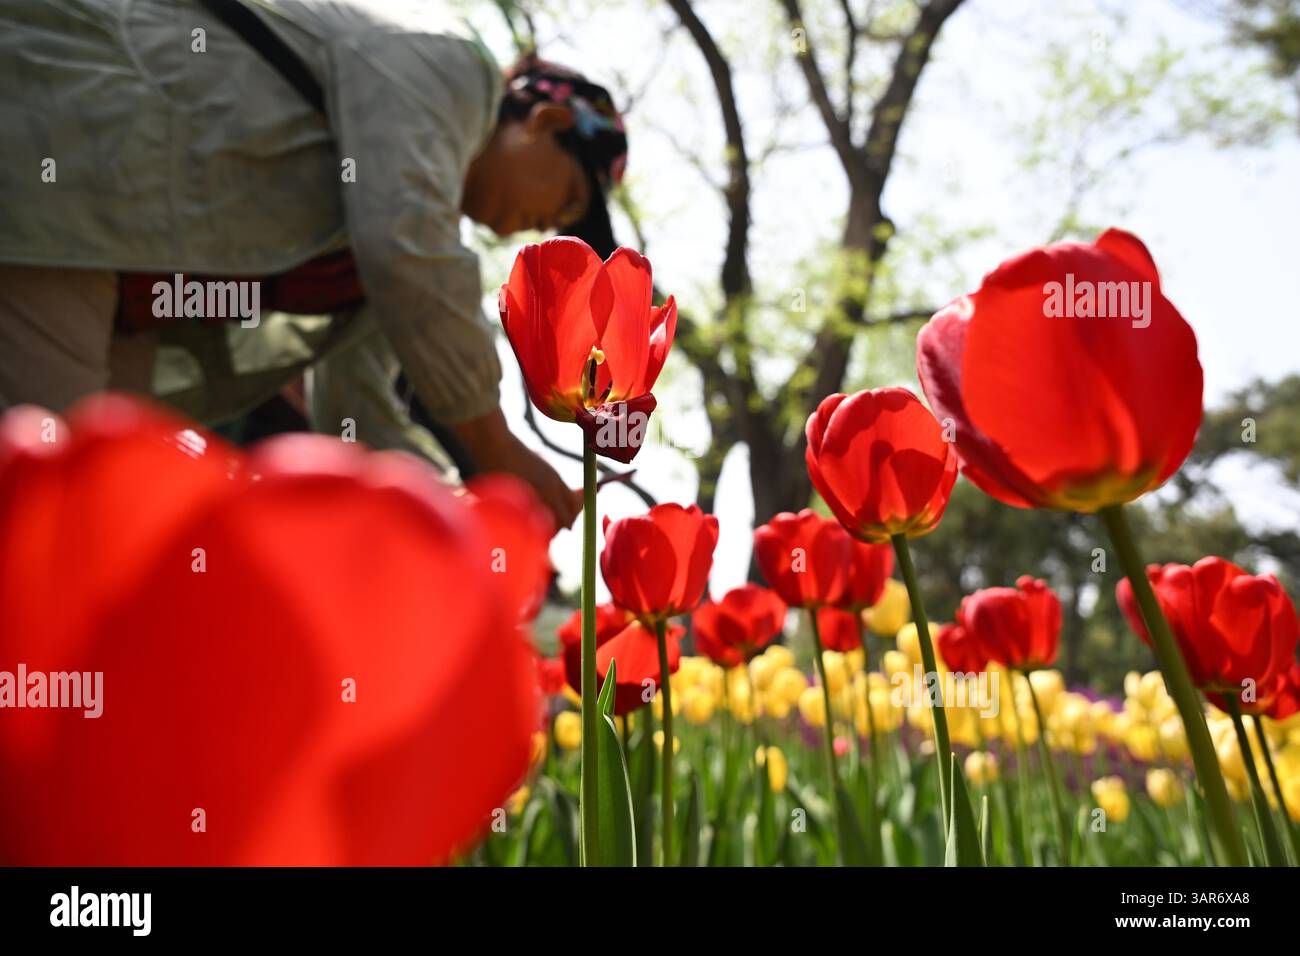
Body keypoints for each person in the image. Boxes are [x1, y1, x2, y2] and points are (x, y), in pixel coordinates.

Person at [0, 0, 628, 530]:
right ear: (547, 122)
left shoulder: (383, 244)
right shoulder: (451, 68)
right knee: (58, 510)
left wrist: (451, 515)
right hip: (69, 145)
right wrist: (496, 446)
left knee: (111, 509)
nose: (554, 224)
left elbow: (357, 406)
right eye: (568, 199)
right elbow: (407, 247)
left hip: (116, 279)